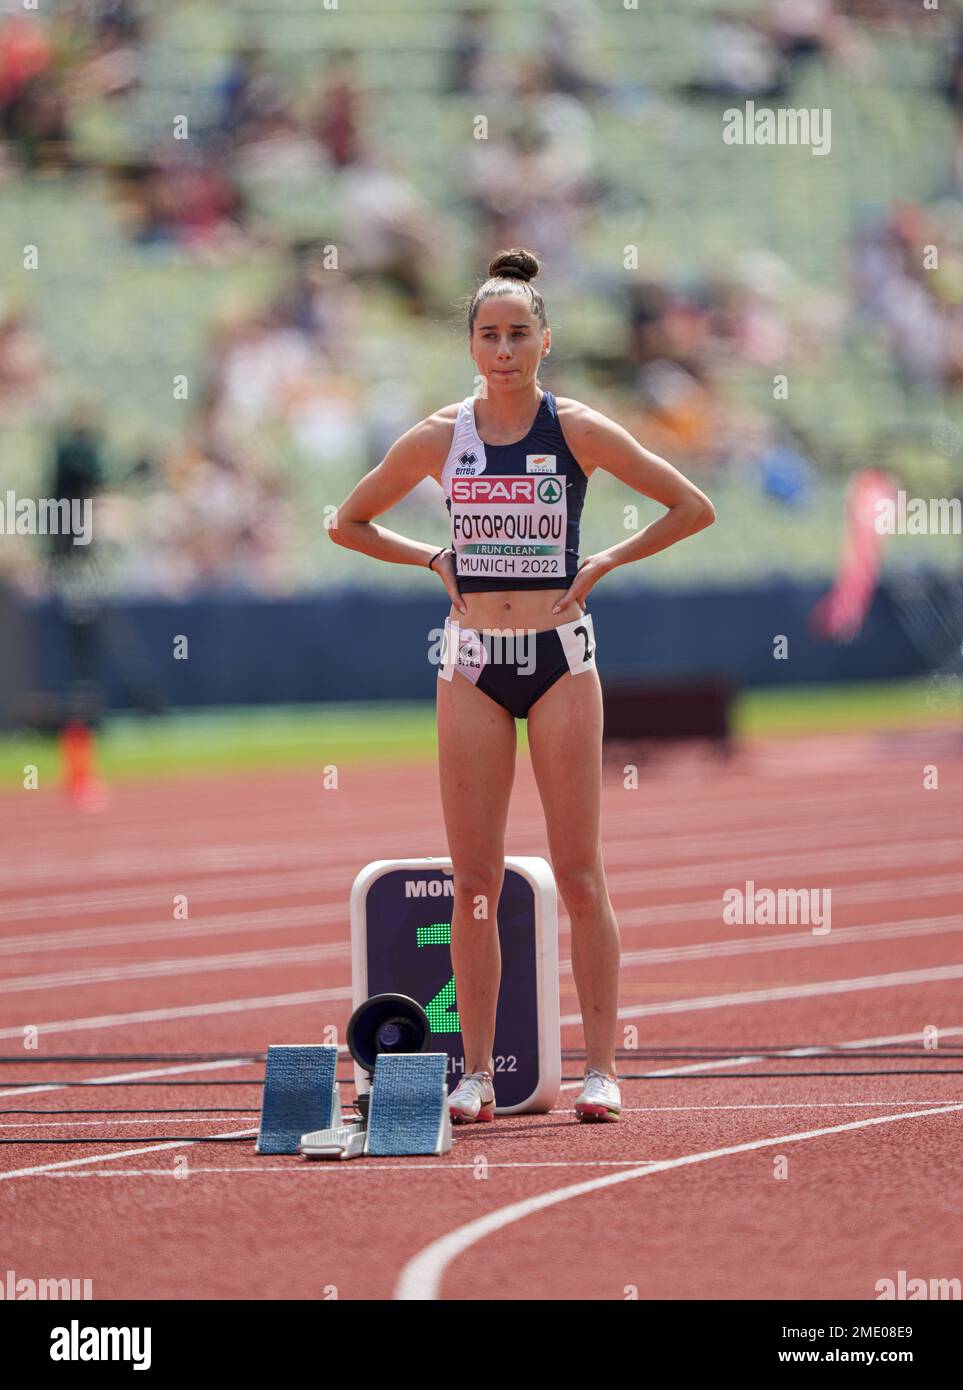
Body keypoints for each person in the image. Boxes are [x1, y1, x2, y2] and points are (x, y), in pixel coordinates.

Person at [329, 247, 715, 1124]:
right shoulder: (438, 436)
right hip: (469, 662)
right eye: (487, 334)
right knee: (476, 880)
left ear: (545, 341)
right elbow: (347, 522)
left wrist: (607, 558)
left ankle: (603, 1069)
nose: (502, 349)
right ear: (470, 344)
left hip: (558, 661)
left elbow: (692, 506)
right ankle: (473, 1075)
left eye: (517, 334)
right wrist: (429, 556)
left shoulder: (576, 428)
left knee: (579, 875)